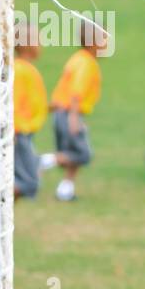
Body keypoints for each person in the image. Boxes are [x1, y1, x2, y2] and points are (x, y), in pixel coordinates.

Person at [45, 19, 104, 202]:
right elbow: (76, 92)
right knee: (82, 154)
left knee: (73, 154)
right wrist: (74, 119)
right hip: (69, 113)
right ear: (93, 42)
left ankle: (65, 190)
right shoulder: (87, 63)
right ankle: (41, 162)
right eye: (104, 39)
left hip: (63, 112)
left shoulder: (77, 58)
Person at [13, 21, 48, 199]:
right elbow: (13, 104)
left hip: (25, 133)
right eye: (38, 39)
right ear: (27, 43)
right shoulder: (19, 70)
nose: (41, 44)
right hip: (18, 134)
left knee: (24, 181)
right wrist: (14, 131)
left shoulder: (26, 69)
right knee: (28, 182)